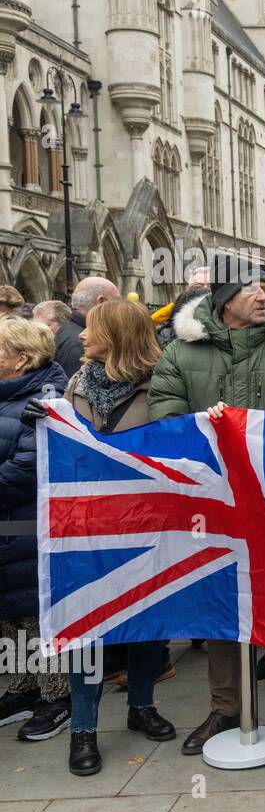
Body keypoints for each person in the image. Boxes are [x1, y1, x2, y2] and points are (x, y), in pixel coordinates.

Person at [149, 260, 265, 756]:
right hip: (214, 504)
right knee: (223, 605)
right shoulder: (181, 352)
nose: (263, 294)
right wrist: (209, 435)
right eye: (250, 287)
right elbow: (167, 420)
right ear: (224, 298)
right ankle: (225, 708)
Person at [43, 301, 177, 774]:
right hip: (86, 528)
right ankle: (83, 729)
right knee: (88, 624)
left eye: (93, 330)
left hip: (145, 524)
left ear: (118, 336)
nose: (80, 336)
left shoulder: (160, 386)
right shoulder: (73, 387)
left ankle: (141, 705)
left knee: (146, 619)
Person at [0, 317, 69, 739]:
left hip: (30, 524)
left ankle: (57, 696)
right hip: (7, 527)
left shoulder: (47, 395)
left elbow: (29, 464)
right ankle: (26, 686)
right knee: (14, 615)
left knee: (39, 612)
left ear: (20, 359)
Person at [55, 277, 121, 378]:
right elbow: (80, 390)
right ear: (101, 302)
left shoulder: (69, 329)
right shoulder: (82, 343)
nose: (119, 310)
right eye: (116, 303)